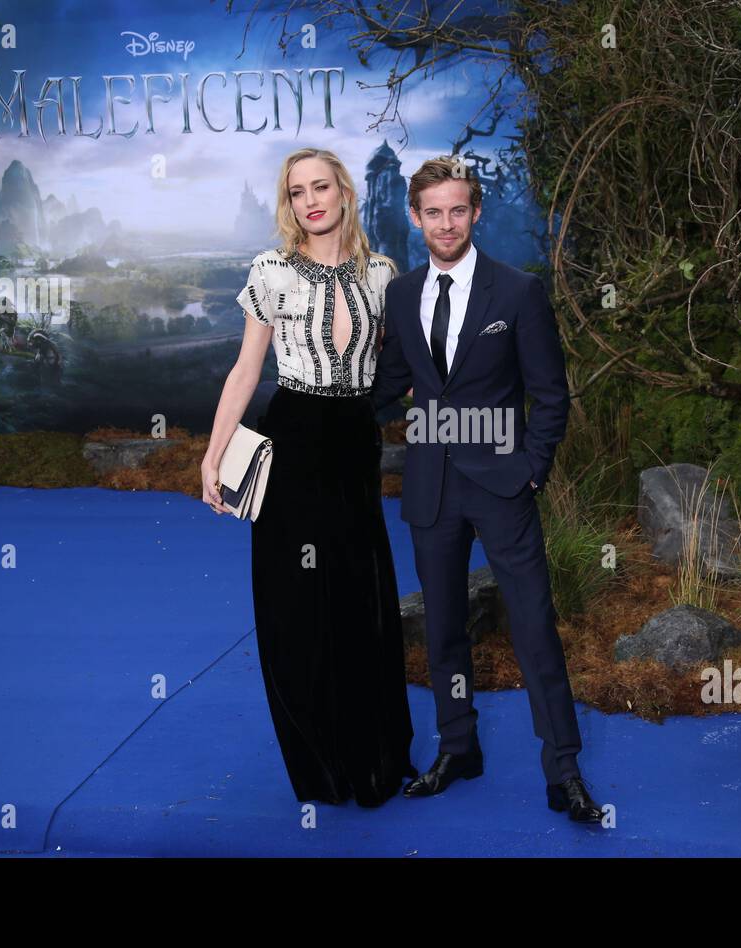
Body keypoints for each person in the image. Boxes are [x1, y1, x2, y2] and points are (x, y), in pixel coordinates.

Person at [370, 156, 605, 824]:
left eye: (458, 210)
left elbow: (551, 394)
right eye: (433, 212)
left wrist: (531, 466)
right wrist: (323, 395)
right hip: (430, 488)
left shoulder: (517, 292)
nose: (446, 224)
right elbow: (389, 386)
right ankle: (457, 747)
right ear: (416, 219)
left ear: (475, 213)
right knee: (443, 630)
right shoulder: (401, 294)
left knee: (534, 627)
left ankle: (564, 770)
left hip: (503, 484)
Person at [200, 147, 416, 807]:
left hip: (353, 441)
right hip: (291, 437)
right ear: (289, 204)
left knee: (361, 594)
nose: (311, 201)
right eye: (297, 192)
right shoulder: (271, 271)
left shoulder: (383, 275)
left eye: (321, 187)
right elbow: (245, 371)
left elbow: (397, 375)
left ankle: (370, 757)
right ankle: (316, 760)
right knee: (296, 601)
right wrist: (214, 454)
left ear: (345, 191)